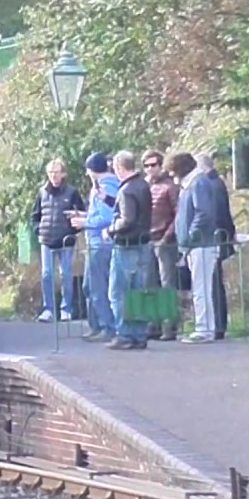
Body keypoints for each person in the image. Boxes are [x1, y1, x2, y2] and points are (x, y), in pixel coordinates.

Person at [105, 150, 153, 350]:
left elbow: (127, 219)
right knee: (138, 292)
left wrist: (111, 229)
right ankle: (139, 334)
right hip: (143, 243)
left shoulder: (126, 191)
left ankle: (124, 334)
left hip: (126, 245)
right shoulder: (143, 186)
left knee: (118, 293)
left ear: (119, 167)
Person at [69, 152, 119, 342]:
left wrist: (85, 222)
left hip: (101, 243)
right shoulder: (109, 186)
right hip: (96, 242)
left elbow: (106, 217)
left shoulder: (105, 187)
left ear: (90, 171)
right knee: (89, 286)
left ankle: (107, 326)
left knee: (98, 286)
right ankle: (97, 325)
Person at [29, 159, 85, 323]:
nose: (54, 175)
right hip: (47, 239)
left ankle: (66, 309)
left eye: (57, 172)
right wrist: (38, 229)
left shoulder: (72, 192)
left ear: (63, 174)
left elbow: (80, 213)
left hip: (65, 240)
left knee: (66, 274)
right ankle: (48, 309)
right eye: (51, 172)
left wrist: (73, 230)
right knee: (47, 275)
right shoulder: (42, 192)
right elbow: (35, 216)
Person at [172, 151, 219, 344]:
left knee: (201, 288)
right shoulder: (193, 184)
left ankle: (204, 329)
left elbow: (203, 213)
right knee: (200, 287)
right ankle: (205, 327)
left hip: (200, 244)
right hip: (195, 245)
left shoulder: (197, 184)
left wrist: (190, 236)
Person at [142, 149, 181, 341]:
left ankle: (169, 326)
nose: (150, 169)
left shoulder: (169, 186)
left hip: (164, 240)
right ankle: (153, 324)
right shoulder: (145, 186)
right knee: (150, 284)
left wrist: (167, 236)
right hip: (148, 239)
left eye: (153, 165)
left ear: (160, 165)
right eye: (146, 166)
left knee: (167, 285)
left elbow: (178, 213)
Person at [199, 152, 235, 340]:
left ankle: (218, 325)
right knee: (213, 281)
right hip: (219, 236)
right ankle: (218, 324)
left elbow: (216, 214)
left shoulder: (210, 185)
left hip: (214, 238)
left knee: (213, 282)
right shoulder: (216, 183)